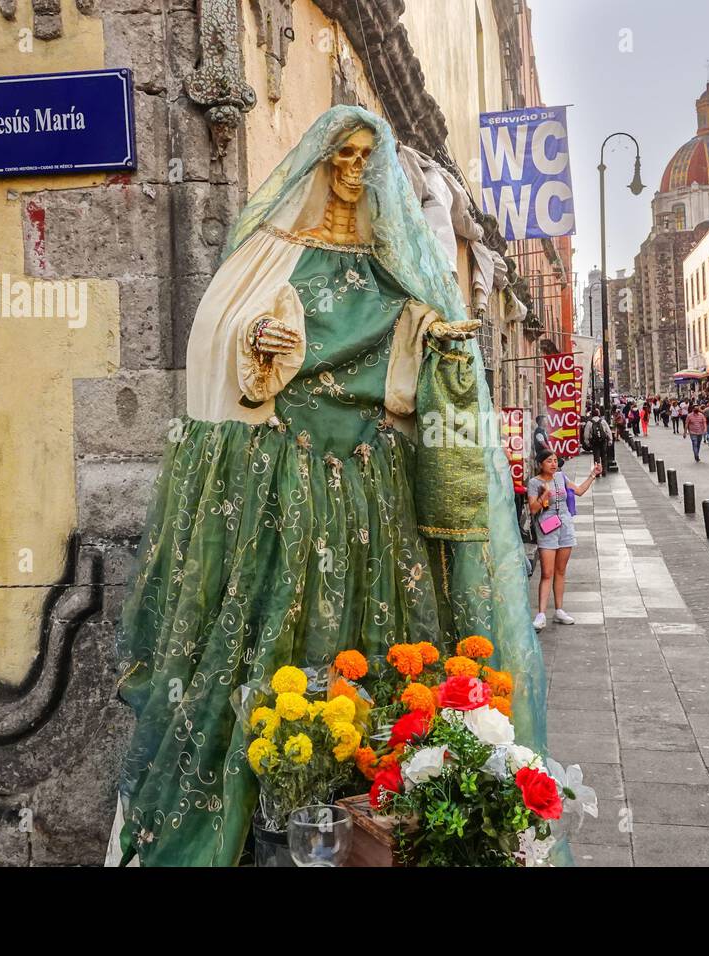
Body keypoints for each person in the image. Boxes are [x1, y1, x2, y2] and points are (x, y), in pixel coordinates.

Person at [111, 106, 546, 866]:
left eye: (366, 158)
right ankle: (282, 824)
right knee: (272, 631)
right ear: (320, 162)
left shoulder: (395, 263)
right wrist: (257, 340)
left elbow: (417, 356)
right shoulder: (271, 252)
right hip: (288, 479)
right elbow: (220, 334)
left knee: (389, 649)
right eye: (342, 154)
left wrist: (436, 341)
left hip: (379, 485)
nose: (353, 169)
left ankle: (386, 818)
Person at [528, 450, 601, 630]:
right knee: (547, 572)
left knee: (561, 571)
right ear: (540, 464)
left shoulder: (561, 476)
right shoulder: (534, 482)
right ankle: (541, 614)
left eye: (555, 461)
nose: (553, 464)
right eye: (549, 461)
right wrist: (544, 496)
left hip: (565, 526)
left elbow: (579, 491)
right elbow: (533, 509)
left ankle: (559, 610)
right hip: (546, 528)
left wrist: (593, 475)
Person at [584, 406, 613, 473]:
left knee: (596, 457)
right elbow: (608, 431)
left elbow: (586, 434)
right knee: (603, 456)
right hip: (603, 441)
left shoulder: (589, 423)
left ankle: (597, 471)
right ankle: (604, 471)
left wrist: (587, 442)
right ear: (598, 414)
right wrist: (610, 440)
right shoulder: (603, 421)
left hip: (594, 442)